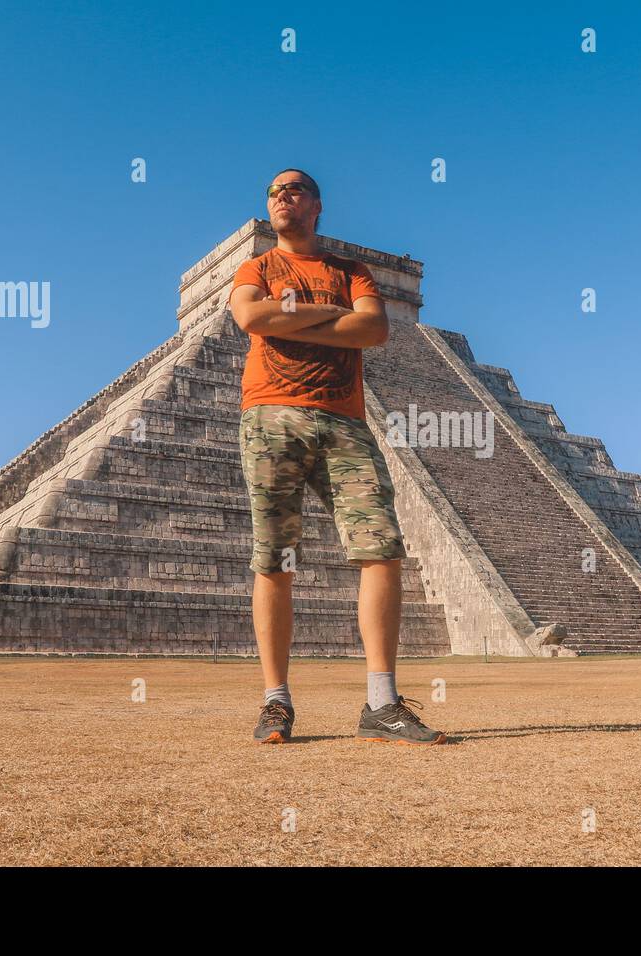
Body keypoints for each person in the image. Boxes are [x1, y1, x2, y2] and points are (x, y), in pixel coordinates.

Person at [227, 168, 447, 746]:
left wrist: (292, 316)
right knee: (275, 559)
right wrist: (333, 318)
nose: (283, 197)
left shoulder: (352, 271)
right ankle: (276, 701)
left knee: (381, 548)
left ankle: (380, 702)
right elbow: (251, 317)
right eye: (274, 191)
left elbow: (375, 329)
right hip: (269, 415)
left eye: (295, 189)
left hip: (346, 422)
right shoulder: (256, 267)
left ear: (317, 205)